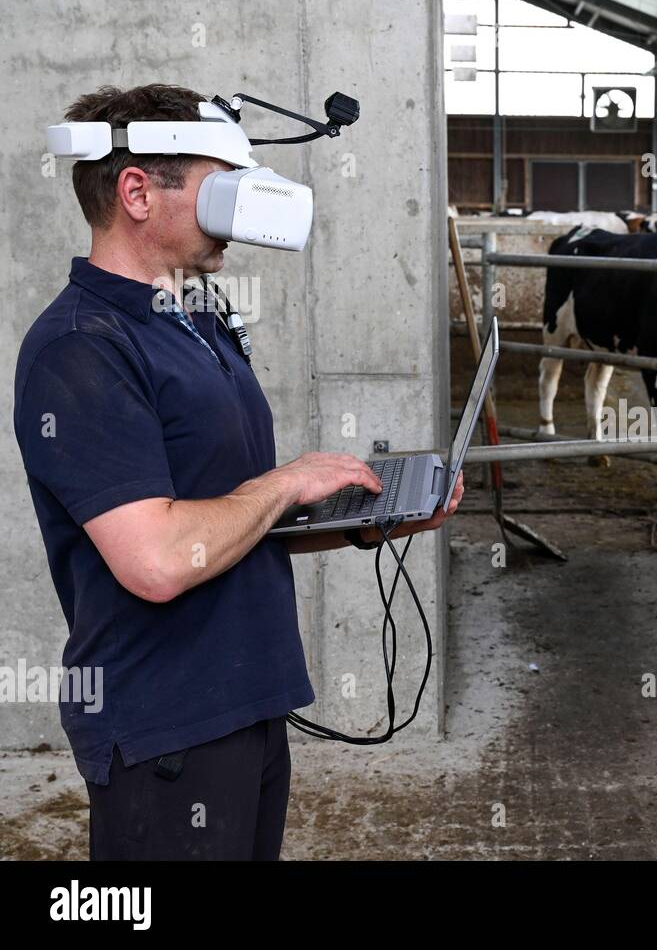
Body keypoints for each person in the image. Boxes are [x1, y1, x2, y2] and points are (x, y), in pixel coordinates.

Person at [12, 84, 461, 860]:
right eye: (222, 187)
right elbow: (154, 559)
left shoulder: (196, 317)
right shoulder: (80, 349)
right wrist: (283, 482)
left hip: (245, 703)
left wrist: (366, 518)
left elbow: (227, 519)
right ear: (136, 192)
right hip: (165, 729)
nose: (242, 212)